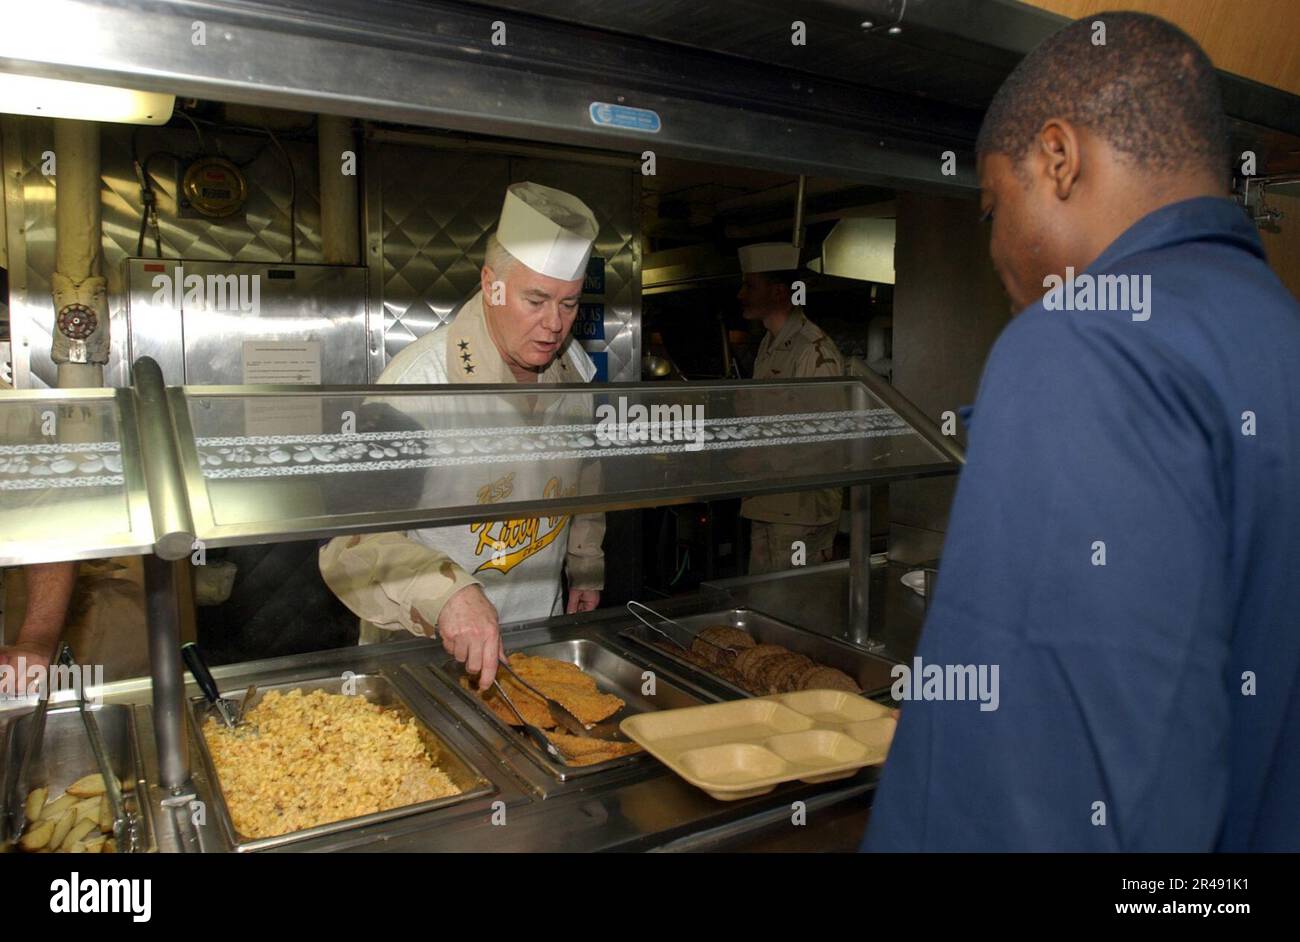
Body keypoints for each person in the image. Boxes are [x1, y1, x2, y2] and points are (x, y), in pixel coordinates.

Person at [863, 12, 1300, 852]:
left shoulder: (1085, 341)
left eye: (993, 205)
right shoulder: (1277, 333)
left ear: (1057, 160)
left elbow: (1035, 804)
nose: (994, 252)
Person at [319, 182, 605, 691]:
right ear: (490, 283)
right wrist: (445, 594)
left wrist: (585, 563)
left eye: (569, 303)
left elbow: (585, 476)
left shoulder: (575, 373)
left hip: (538, 640)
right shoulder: (415, 389)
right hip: (429, 657)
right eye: (535, 299)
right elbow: (349, 543)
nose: (554, 324)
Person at [736, 242, 844, 573]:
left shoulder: (812, 350)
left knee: (798, 608)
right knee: (763, 606)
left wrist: (760, 458)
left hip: (801, 511)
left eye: (751, 285)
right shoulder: (769, 346)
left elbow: (826, 437)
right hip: (767, 503)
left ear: (779, 292)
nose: (741, 294)